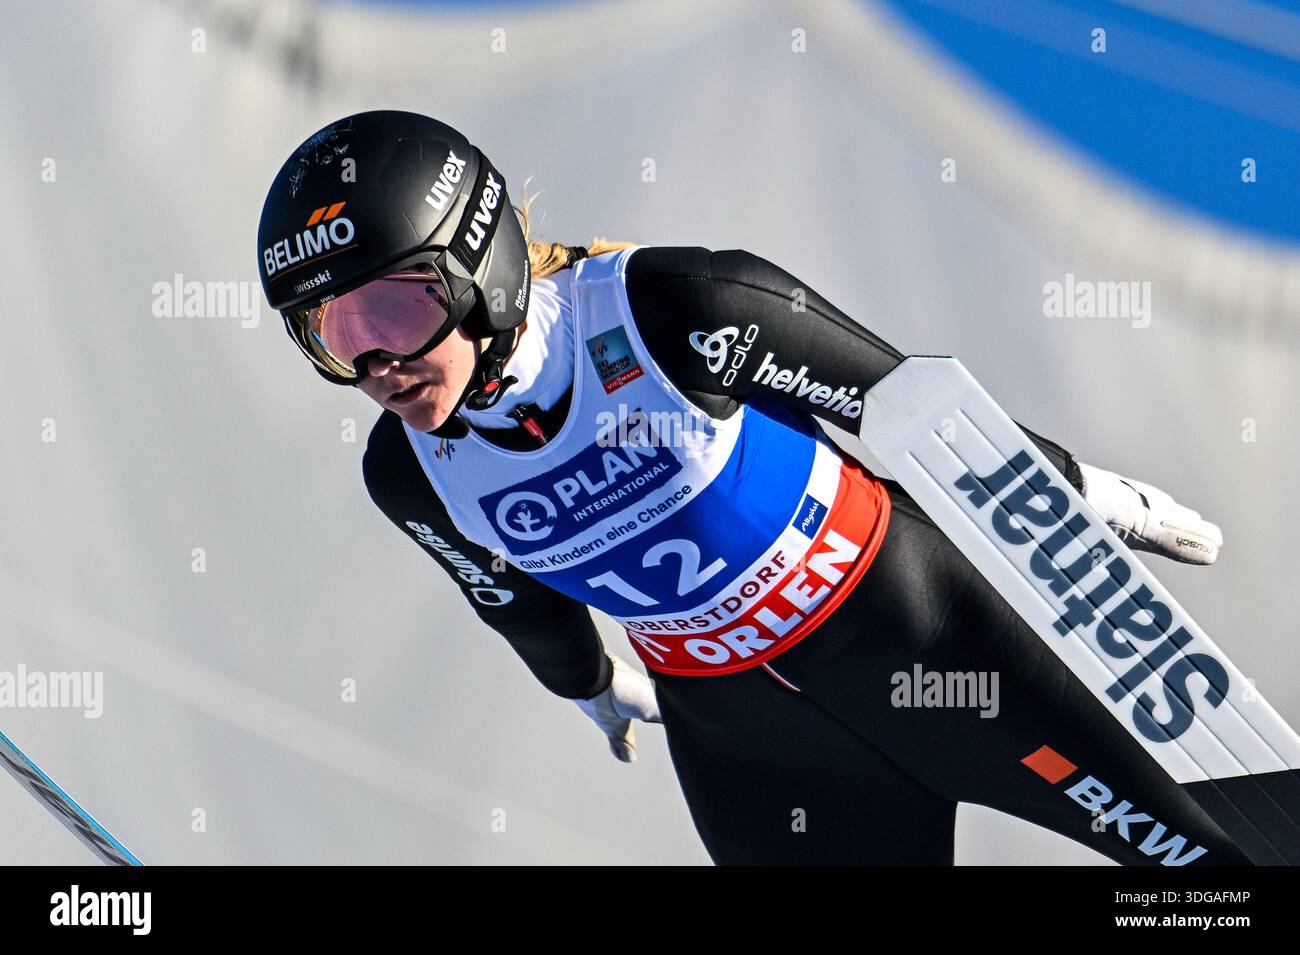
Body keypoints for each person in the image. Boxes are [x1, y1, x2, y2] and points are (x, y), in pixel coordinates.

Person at [258, 110, 1240, 865]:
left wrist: (1080, 492)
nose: (376, 361)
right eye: (331, 334)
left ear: (482, 270)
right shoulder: (408, 472)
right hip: (753, 743)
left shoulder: (674, 307)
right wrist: (587, 684)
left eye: (391, 307)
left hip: (934, 649)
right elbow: (515, 600)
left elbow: (901, 404)